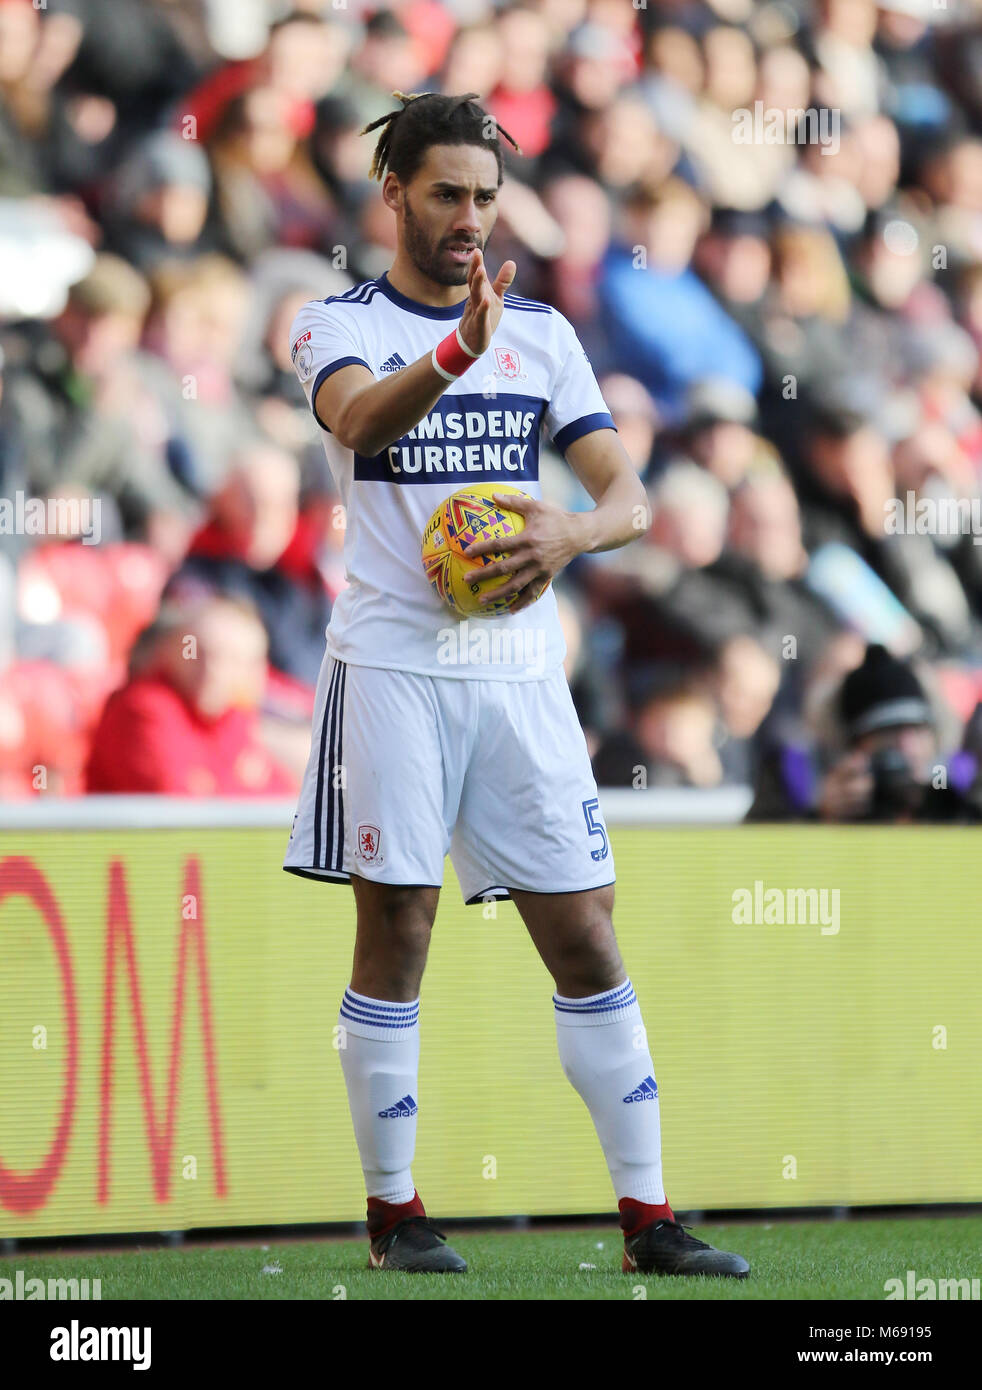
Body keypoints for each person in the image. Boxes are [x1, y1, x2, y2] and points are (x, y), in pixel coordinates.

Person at [282, 90, 749, 1279]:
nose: (469, 218)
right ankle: (395, 1214)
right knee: (399, 923)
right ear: (392, 194)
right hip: (391, 664)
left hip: (519, 674)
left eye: (485, 196)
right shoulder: (333, 323)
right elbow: (363, 424)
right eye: (445, 193)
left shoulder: (542, 330)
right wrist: (455, 350)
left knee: (585, 932)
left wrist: (568, 539)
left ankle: (648, 1218)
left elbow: (630, 498)